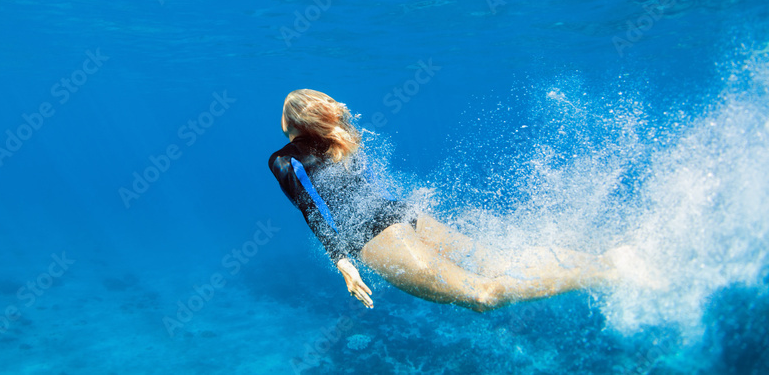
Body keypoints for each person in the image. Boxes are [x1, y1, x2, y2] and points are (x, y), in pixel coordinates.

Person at [268, 88, 631, 312]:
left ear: (290, 120)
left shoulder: (284, 159)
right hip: (400, 213)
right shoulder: (342, 141)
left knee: (483, 295)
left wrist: (342, 263)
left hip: (372, 236)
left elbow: (312, 208)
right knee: (499, 264)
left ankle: (606, 273)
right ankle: (606, 260)